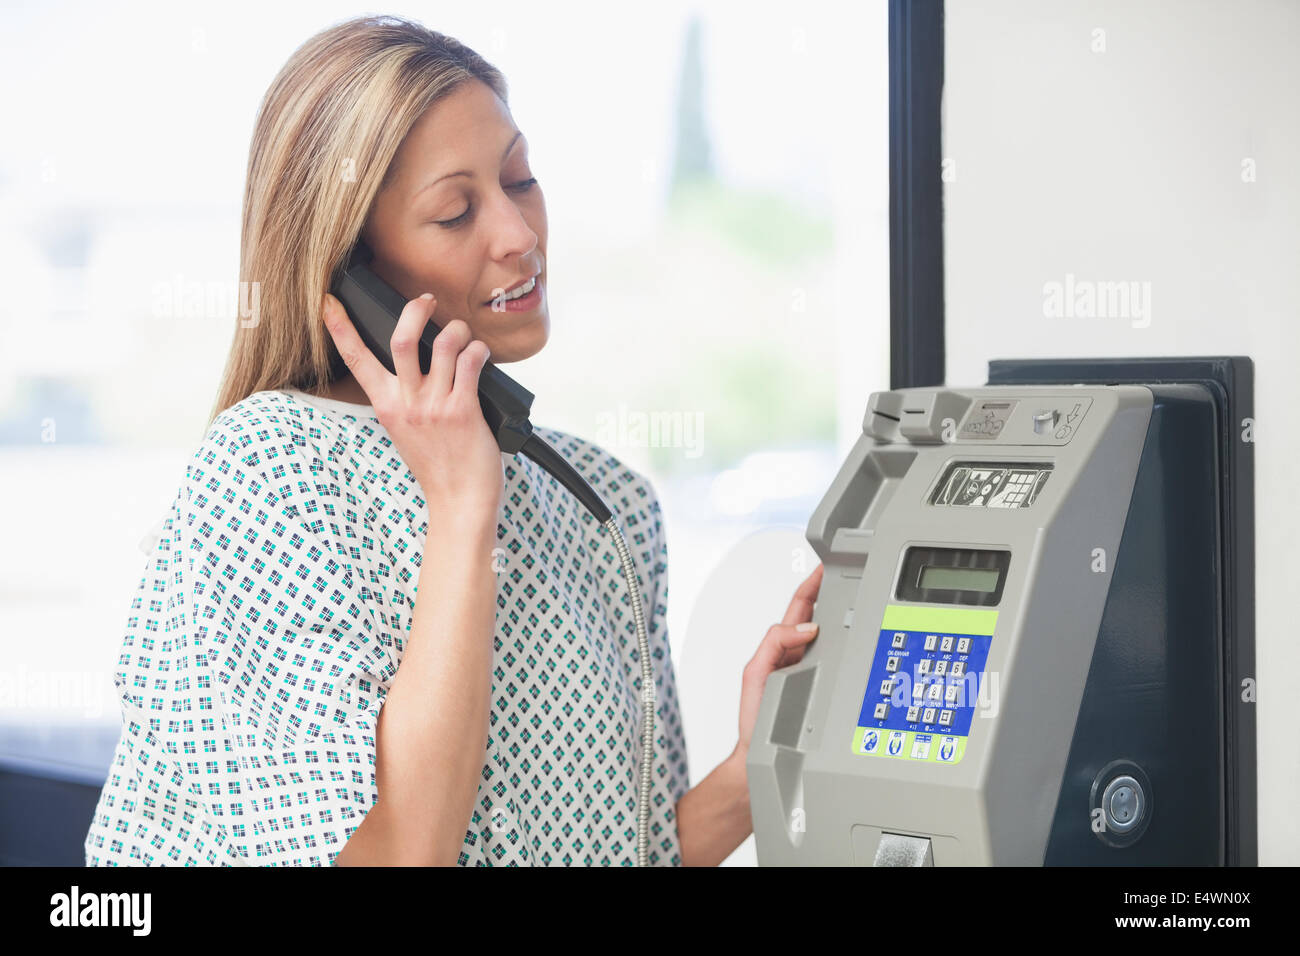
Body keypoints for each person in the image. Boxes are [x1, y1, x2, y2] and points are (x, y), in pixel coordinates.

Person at [83, 13, 824, 867]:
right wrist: (462, 506)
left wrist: (752, 770)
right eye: (454, 211)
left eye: (521, 179)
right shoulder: (270, 472)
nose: (519, 235)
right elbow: (400, 859)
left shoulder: (604, 499)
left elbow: (627, 856)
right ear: (353, 267)